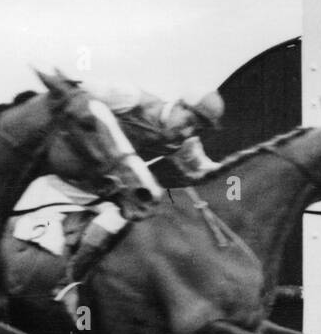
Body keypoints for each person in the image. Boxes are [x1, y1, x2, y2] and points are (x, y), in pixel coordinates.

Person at [51, 87, 226, 315]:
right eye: (190, 121)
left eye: (198, 129)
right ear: (179, 105)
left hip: (119, 188)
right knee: (115, 218)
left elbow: (206, 169)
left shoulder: (186, 143)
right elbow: (82, 103)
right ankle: (67, 284)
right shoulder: (129, 98)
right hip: (79, 177)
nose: (189, 132)